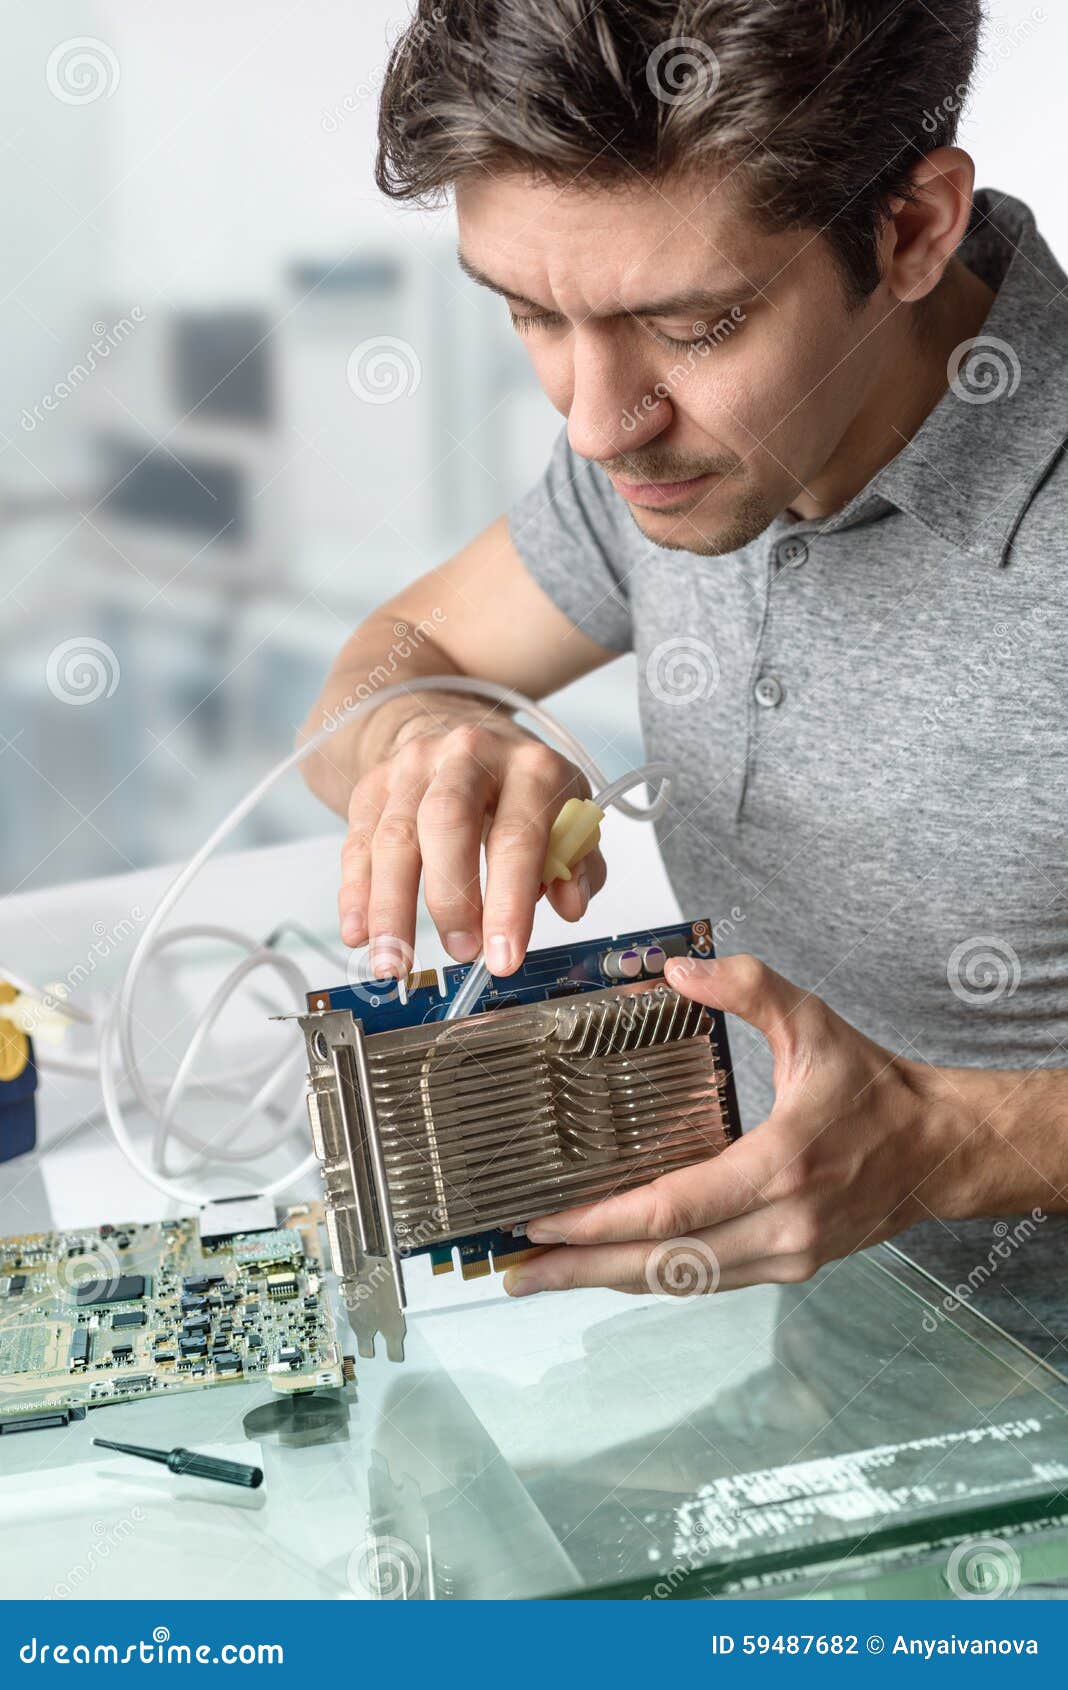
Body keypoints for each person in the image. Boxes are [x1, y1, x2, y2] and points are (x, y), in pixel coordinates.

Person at [301, 0, 1068, 1359]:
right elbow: (405, 653)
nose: (596, 420)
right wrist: (421, 738)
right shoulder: (683, 453)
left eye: (696, 323)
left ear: (911, 230)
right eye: (531, 311)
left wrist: (942, 1145)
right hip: (822, 1377)